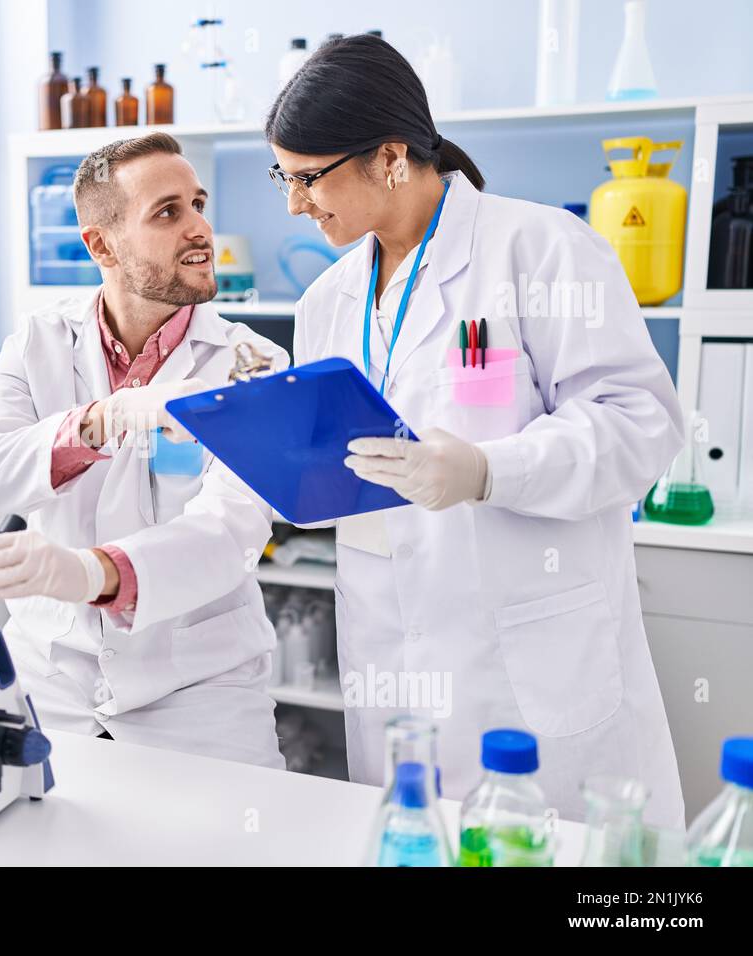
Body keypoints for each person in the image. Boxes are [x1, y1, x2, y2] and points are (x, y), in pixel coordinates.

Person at [265, 34, 685, 826]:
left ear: (390, 157)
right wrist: (291, 471)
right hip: (389, 650)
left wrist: (488, 471)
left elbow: (640, 424)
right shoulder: (326, 299)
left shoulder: (537, 248)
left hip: (528, 657)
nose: (294, 204)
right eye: (283, 178)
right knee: (413, 834)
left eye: (308, 179)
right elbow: (338, 474)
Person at [0, 133, 288, 768]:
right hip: (51, 684)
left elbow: (230, 532)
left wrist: (91, 573)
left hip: (200, 697)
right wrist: (100, 421)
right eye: (168, 211)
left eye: (199, 203)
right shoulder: (38, 344)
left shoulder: (255, 365)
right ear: (100, 244)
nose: (200, 229)